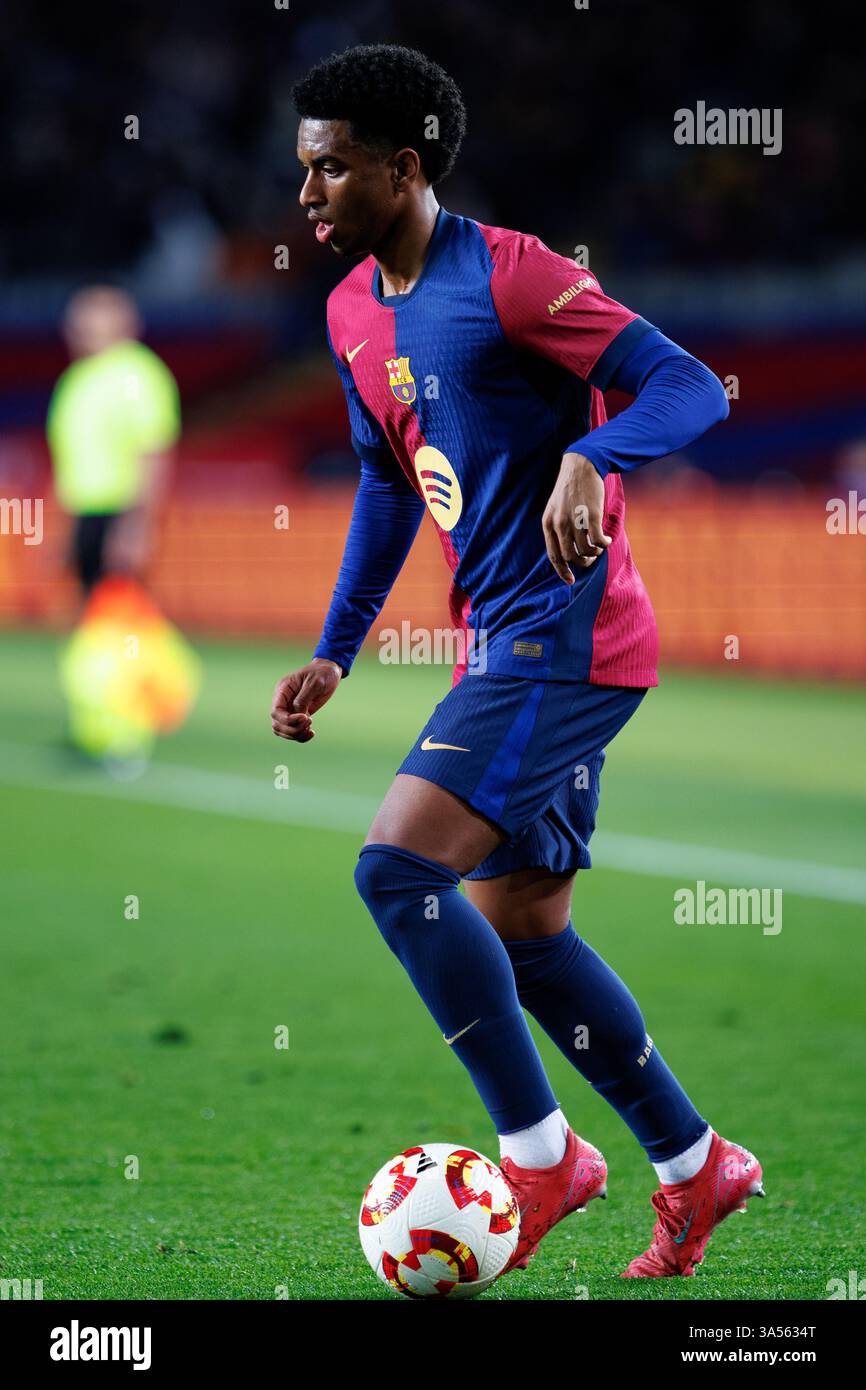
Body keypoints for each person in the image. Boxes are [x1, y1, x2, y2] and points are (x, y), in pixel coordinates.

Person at [271, 44, 764, 1279]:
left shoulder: (510, 274)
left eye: (330, 171)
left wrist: (596, 457)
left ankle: (540, 1155)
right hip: (504, 638)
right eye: (302, 172)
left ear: (404, 166)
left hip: (569, 636)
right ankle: (693, 1163)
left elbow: (686, 385)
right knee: (524, 921)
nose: (308, 196)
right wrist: (338, 648)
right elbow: (388, 485)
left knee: (396, 873)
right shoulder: (346, 314)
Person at [47, 285, 180, 596]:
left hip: (120, 508)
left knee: (120, 617)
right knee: (90, 616)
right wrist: (62, 530)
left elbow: (154, 451)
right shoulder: (76, 378)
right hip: (83, 512)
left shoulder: (138, 373)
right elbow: (68, 459)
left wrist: (137, 526)